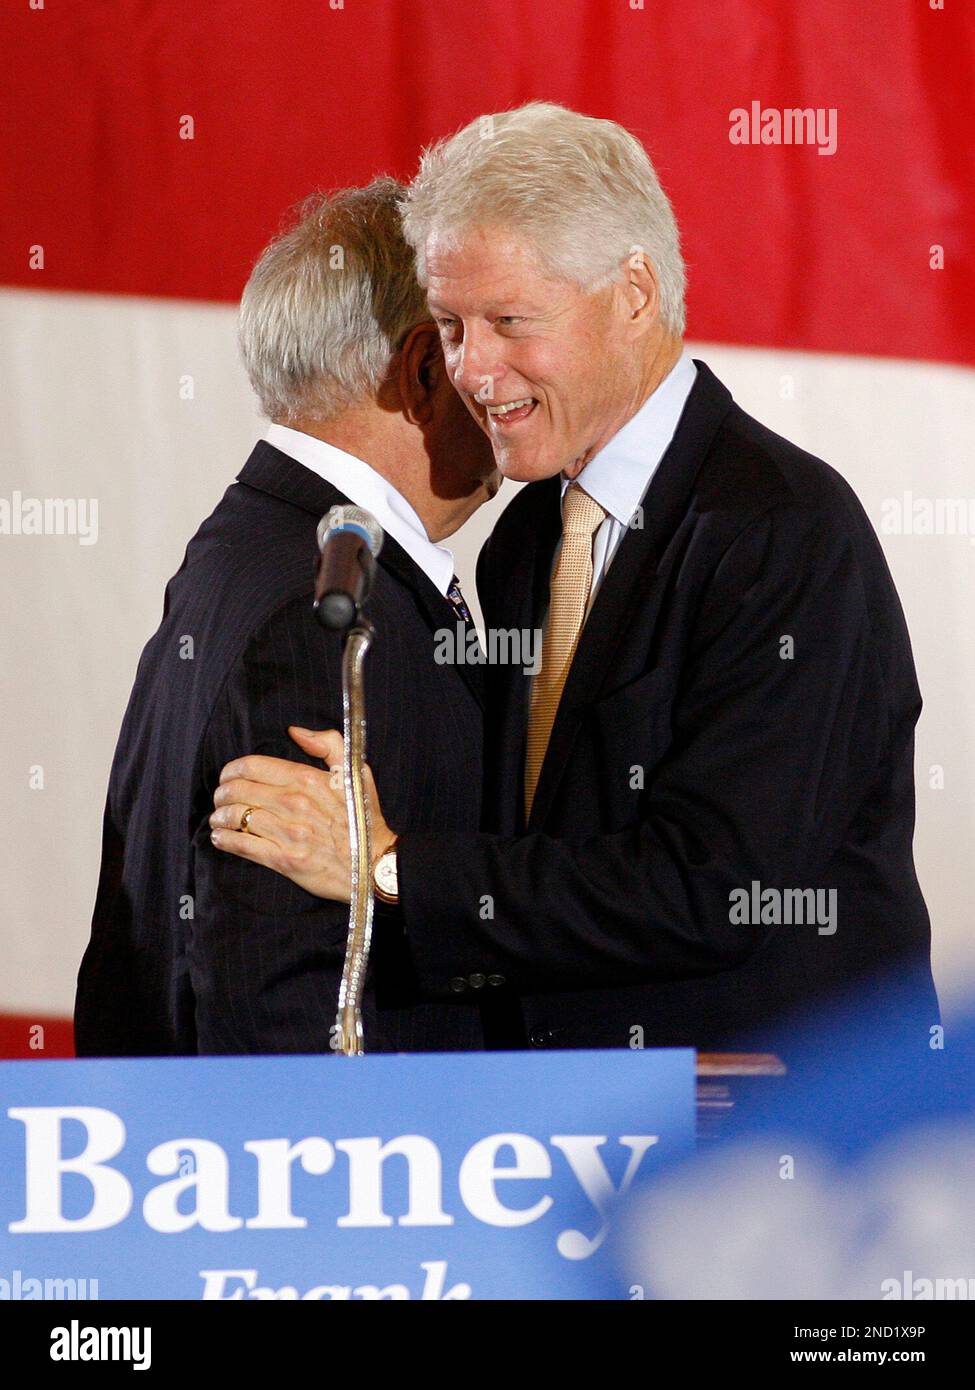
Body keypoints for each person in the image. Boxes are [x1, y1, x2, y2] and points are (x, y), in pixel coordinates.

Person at [209, 104, 939, 1056]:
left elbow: (711, 893)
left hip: (775, 1135)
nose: (472, 370)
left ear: (633, 293)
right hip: (573, 1125)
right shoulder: (524, 537)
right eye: (449, 326)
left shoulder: (781, 531)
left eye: (509, 322)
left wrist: (388, 866)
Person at [75, 178, 500, 1056]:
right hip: (345, 1174)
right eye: (472, 336)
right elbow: (278, 984)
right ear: (423, 368)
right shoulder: (326, 616)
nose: (500, 380)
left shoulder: (245, 548)